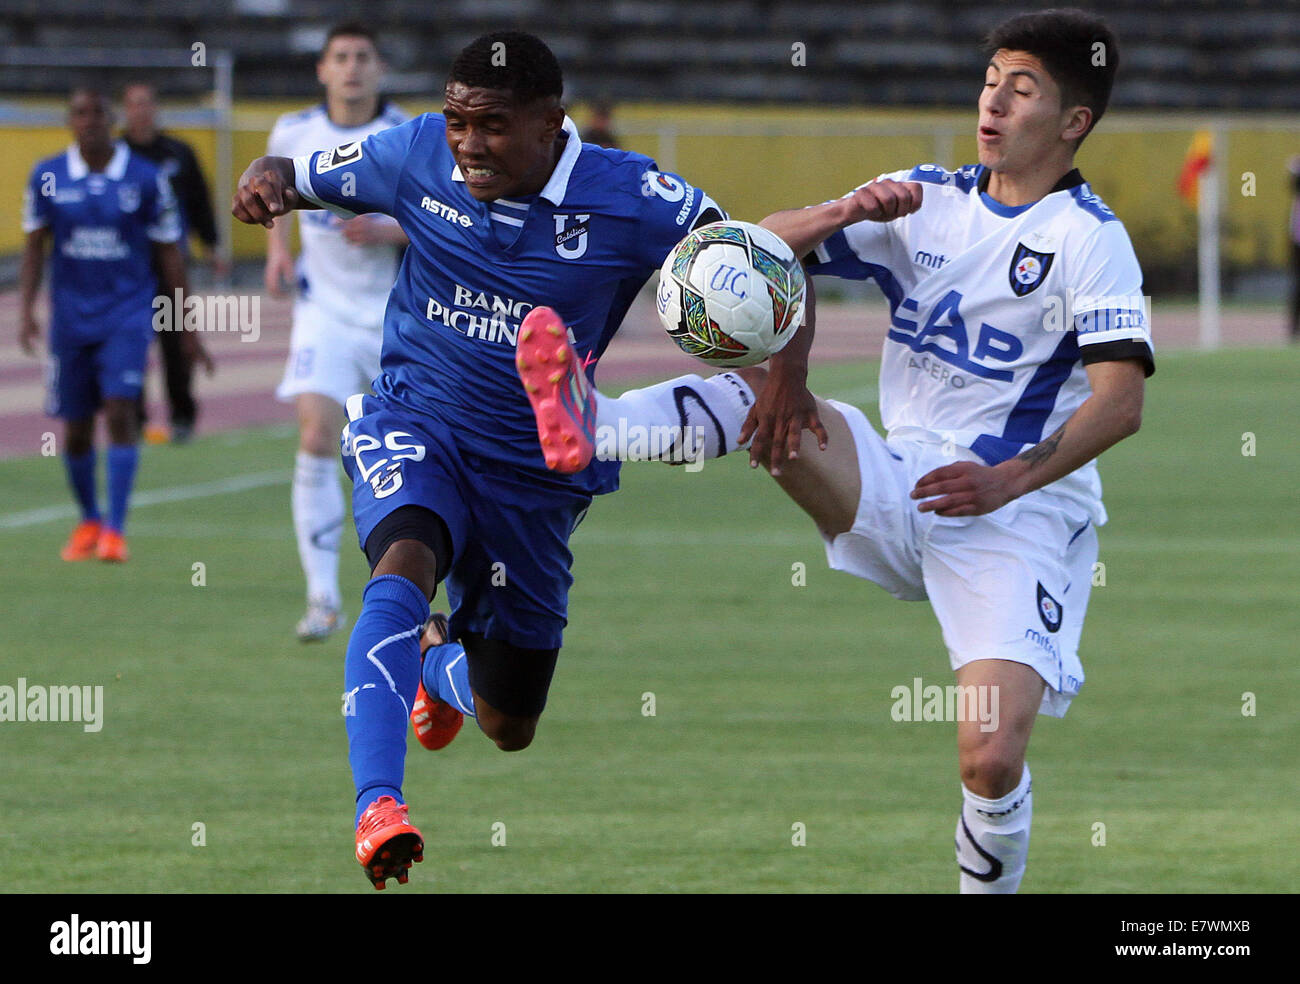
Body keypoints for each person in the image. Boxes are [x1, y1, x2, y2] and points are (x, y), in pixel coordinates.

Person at [531, 8, 1151, 893]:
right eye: (990, 82)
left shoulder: (1088, 240)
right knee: (768, 386)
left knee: (990, 758)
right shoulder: (924, 197)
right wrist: (841, 213)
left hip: (1020, 517)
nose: (994, 104)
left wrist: (1005, 480)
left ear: (1073, 121)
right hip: (899, 476)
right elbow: (752, 251)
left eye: (1023, 91)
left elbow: (1120, 405)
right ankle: (593, 426)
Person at [231, 30, 724, 888]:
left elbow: (746, 261)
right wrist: (271, 178)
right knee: (403, 561)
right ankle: (378, 804)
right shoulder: (417, 151)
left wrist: (783, 366)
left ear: (549, 124)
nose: (468, 143)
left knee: (508, 720)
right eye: (459, 120)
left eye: (491, 126)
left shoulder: (633, 195)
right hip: (416, 419)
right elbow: (299, 169)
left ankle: (432, 662)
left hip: (537, 471)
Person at [264, 22, 411, 643]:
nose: (351, 68)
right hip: (320, 311)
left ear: (379, 69)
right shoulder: (294, 132)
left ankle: (409, 593)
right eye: (340, 58)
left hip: (394, 318)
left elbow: (453, 220)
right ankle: (322, 598)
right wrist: (276, 250)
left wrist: (390, 229)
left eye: (362, 57)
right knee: (317, 435)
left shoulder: (406, 136)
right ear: (322, 70)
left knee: (404, 454)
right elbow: (272, 192)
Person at [19, 87, 196, 563]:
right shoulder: (48, 176)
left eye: (98, 112)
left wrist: (186, 323)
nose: (90, 120)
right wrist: (26, 310)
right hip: (70, 321)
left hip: (126, 316)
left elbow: (168, 253)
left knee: (120, 410)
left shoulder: (144, 177)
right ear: (69, 120)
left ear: (110, 118)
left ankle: (115, 530)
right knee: (75, 428)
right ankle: (89, 519)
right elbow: (35, 245)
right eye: (80, 113)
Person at [121, 80, 223, 444]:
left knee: (177, 339)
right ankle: (131, 419)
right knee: (129, 343)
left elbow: (199, 201)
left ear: (155, 108)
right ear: (125, 109)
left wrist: (211, 245)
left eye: (147, 102)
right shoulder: (115, 155)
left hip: (172, 264)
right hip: (127, 269)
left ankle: (182, 416)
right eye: (134, 103)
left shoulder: (179, 153)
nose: (141, 110)